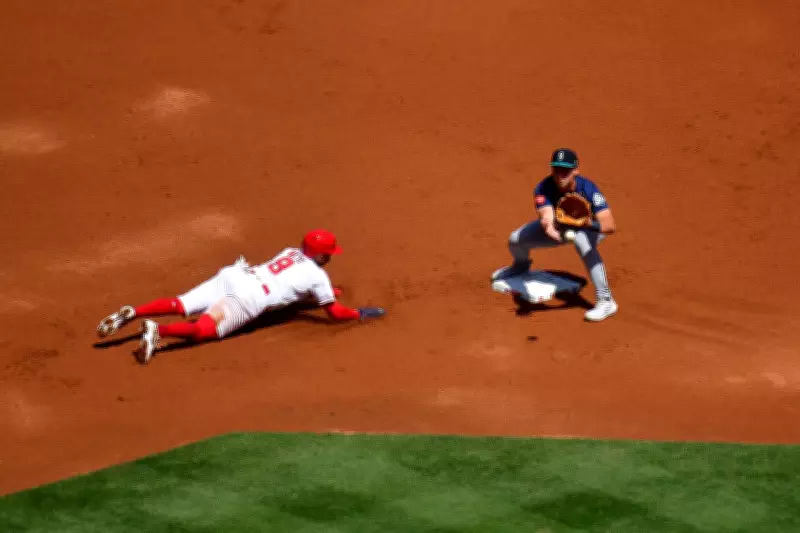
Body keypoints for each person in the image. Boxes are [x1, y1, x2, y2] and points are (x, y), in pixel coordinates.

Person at [97, 229, 386, 364]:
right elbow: (334, 313)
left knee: (180, 303)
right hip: (247, 298)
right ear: (321, 254)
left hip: (236, 275)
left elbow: (292, 288)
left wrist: (322, 295)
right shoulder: (318, 277)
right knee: (203, 330)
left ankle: (134, 312)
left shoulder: (290, 252)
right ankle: (158, 332)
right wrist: (361, 313)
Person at [492, 148, 619, 321]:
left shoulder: (589, 190)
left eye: (565, 170)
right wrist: (551, 230)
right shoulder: (543, 187)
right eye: (556, 169)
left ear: (576, 170)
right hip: (560, 228)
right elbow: (546, 216)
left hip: (589, 229)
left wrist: (588, 224)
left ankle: (606, 300)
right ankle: (520, 266)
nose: (560, 174)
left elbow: (610, 225)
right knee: (516, 239)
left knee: (582, 241)